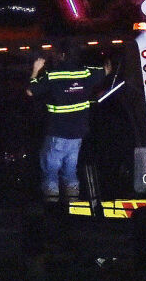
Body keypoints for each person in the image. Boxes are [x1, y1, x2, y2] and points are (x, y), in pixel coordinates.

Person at [27, 48, 103, 201]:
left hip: (58, 131)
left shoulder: (53, 75)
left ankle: (52, 204)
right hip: (78, 133)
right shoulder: (85, 73)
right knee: (70, 171)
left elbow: (30, 91)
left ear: (62, 55)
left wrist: (35, 70)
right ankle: (72, 204)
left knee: (50, 172)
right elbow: (105, 71)